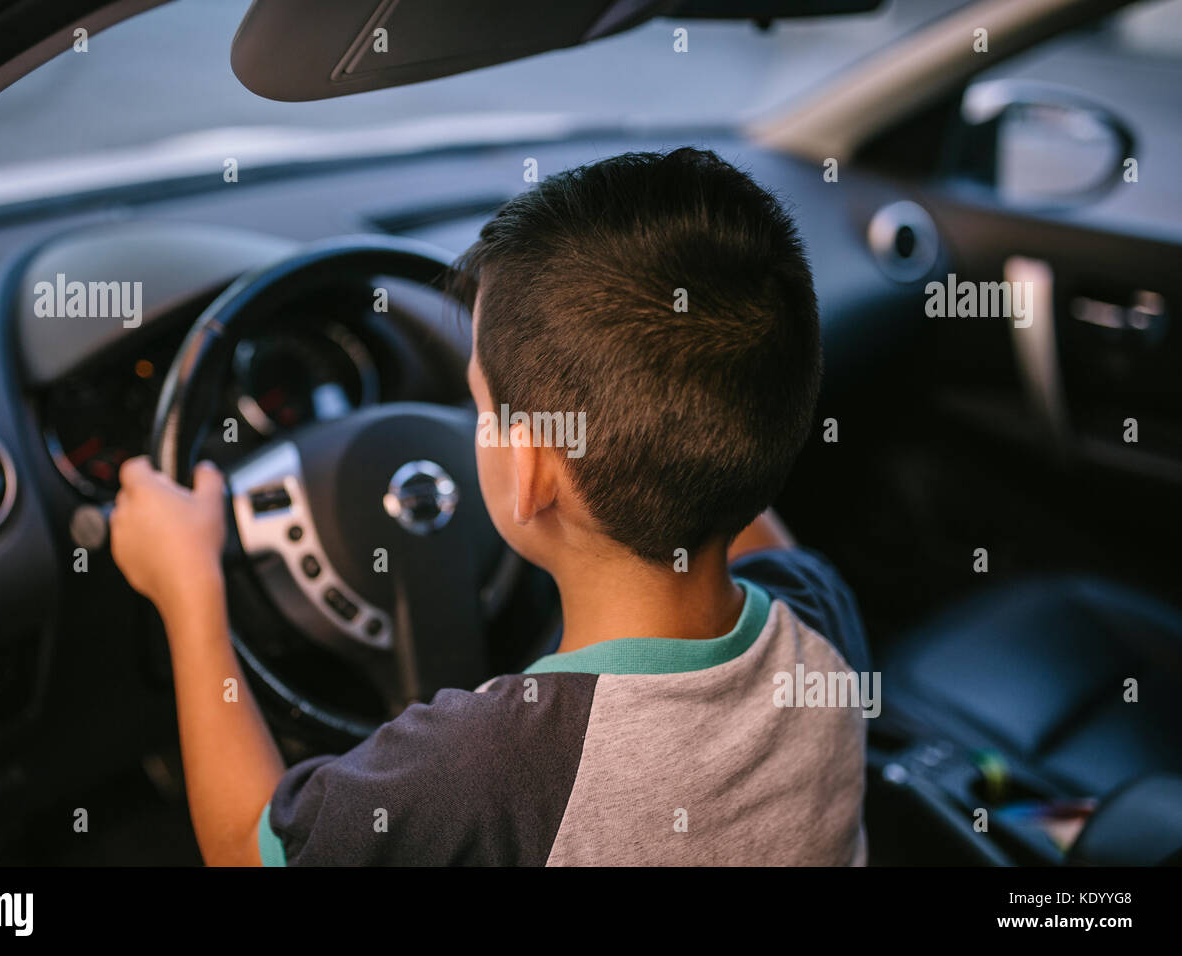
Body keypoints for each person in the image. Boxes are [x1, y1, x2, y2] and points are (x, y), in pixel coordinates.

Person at [111, 147, 871, 866]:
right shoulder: (820, 618)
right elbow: (741, 484)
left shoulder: (489, 765)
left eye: (477, 404)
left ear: (531, 469)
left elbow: (246, 848)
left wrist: (188, 589)